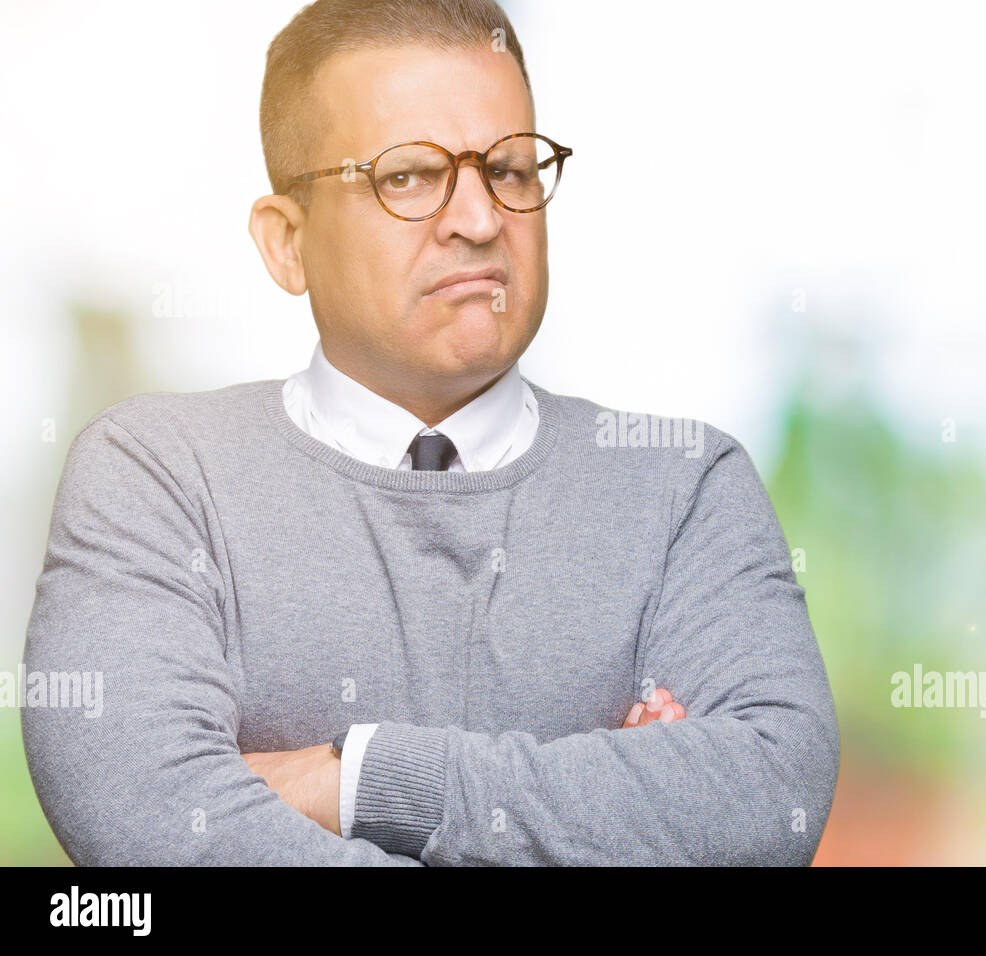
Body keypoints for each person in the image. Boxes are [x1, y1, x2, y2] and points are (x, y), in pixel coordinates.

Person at [22, 0, 839, 865]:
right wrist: (608, 810)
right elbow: (148, 816)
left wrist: (358, 781)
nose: (480, 220)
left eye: (511, 169)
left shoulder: (682, 488)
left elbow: (765, 796)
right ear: (286, 243)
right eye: (407, 175)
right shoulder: (160, 478)